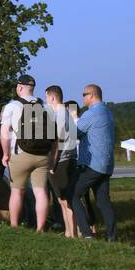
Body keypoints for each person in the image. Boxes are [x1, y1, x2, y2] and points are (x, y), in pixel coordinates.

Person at [1, 74, 54, 231]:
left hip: (20, 153)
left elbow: (4, 134)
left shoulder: (12, 106)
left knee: (17, 192)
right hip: (43, 154)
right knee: (40, 192)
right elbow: (54, 135)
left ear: (19, 87)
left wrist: (5, 154)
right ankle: (40, 228)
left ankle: (15, 226)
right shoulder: (45, 106)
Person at [70, 84, 117, 241]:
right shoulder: (107, 112)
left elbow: (74, 133)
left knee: (73, 195)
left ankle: (87, 233)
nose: (82, 97)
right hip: (106, 164)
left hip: (92, 164)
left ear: (91, 95)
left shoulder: (91, 113)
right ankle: (112, 236)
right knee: (103, 201)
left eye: (84, 94)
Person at [44, 86, 77, 237]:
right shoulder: (65, 113)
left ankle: (73, 232)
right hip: (66, 159)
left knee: (66, 200)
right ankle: (68, 231)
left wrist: (52, 164)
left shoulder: (60, 114)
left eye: (46, 98)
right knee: (62, 200)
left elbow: (58, 140)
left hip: (62, 162)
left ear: (52, 97)